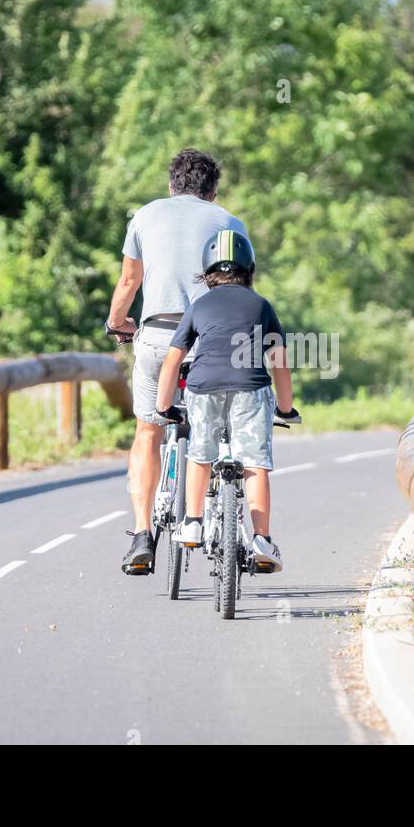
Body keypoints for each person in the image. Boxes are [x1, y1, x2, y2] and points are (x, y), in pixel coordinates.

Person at [108, 149, 248, 575]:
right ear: (213, 192)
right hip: (212, 338)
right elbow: (242, 288)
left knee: (148, 429)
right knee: (219, 423)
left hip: (157, 335)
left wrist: (117, 321)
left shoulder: (145, 216)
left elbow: (130, 280)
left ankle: (139, 534)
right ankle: (216, 510)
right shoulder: (229, 223)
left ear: (171, 186)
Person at [153, 230, 301, 574]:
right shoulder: (262, 306)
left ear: (207, 272)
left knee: (201, 455)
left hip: (204, 387)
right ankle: (262, 539)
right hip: (250, 388)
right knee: (255, 463)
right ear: (249, 268)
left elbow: (174, 358)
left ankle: (191, 522)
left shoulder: (199, 306)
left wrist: (163, 405)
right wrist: (285, 407)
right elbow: (279, 361)